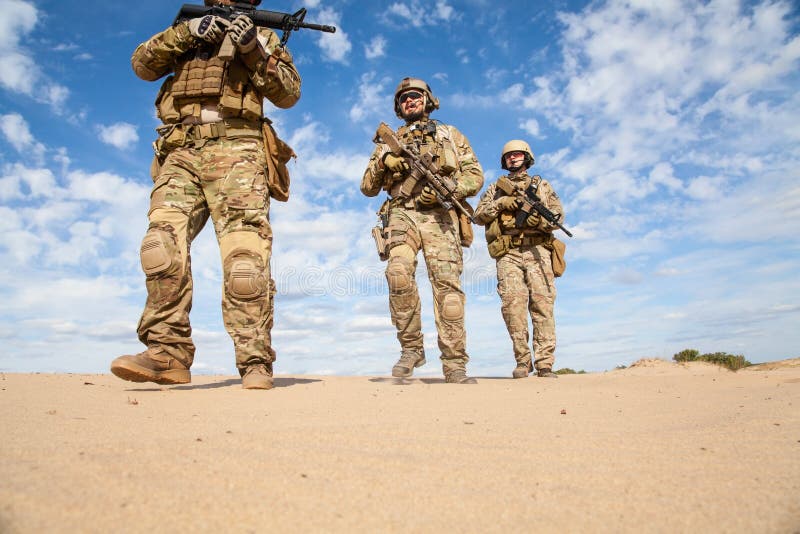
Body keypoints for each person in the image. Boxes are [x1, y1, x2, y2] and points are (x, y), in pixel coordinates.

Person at [110, 0, 301, 389]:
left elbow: (288, 93)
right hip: (180, 150)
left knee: (244, 259)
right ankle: (167, 353)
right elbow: (142, 64)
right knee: (159, 245)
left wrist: (252, 48)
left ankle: (254, 360)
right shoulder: (187, 30)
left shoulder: (263, 36)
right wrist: (187, 33)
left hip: (239, 148)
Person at [361, 77, 484, 384]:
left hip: (440, 217)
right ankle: (412, 348)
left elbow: (475, 174)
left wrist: (451, 188)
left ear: (428, 100)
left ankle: (455, 363)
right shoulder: (388, 141)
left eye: (416, 96)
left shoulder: (449, 134)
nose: (410, 101)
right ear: (398, 107)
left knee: (448, 290)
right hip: (402, 213)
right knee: (398, 272)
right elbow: (367, 187)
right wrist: (385, 162)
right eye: (404, 99)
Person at [473, 140, 564, 379]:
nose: (513, 158)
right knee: (513, 306)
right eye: (509, 156)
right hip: (508, 252)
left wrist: (540, 222)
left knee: (543, 305)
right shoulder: (495, 189)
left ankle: (545, 364)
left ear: (527, 157)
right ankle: (523, 361)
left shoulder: (542, 186)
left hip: (538, 251)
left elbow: (557, 217)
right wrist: (501, 203)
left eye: (517, 155)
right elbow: (478, 216)